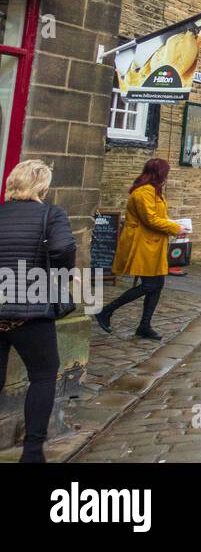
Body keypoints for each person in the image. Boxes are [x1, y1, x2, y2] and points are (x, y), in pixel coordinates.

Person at [0, 160, 76, 463]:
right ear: (42, 186)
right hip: (30, 309)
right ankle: (32, 453)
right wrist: (61, 275)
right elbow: (63, 249)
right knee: (43, 376)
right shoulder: (51, 214)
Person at [95, 159, 181, 341]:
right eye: (165, 173)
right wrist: (175, 227)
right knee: (150, 285)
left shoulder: (154, 191)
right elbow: (150, 219)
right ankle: (106, 311)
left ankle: (144, 325)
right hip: (143, 244)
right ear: (158, 173)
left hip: (153, 245)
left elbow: (158, 216)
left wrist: (173, 224)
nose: (167, 177)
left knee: (157, 285)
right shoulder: (143, 192)